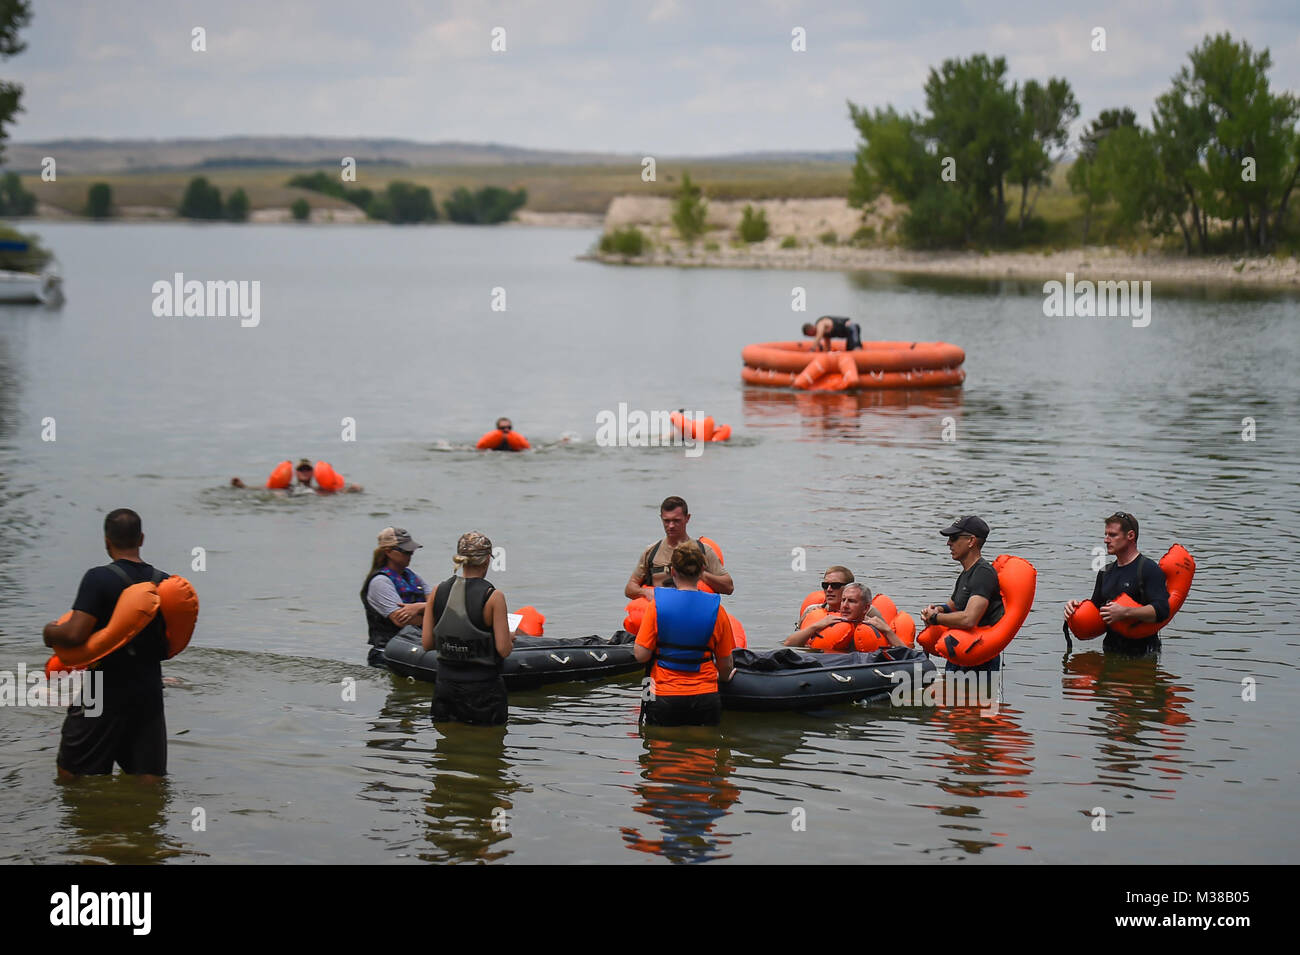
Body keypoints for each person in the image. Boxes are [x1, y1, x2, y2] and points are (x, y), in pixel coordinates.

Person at [41, 509, 172, 780]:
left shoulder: (98, 578)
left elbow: (75, 635)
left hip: (102, 690)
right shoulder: (166, 584)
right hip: (148, 692)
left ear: (106, 541)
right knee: (147, 780)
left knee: (72, 776)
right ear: (142, 538)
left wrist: (50, 632)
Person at [634, 542, 736, 726]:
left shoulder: (656, 606)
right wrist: (725, 676)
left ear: (672, 571)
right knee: (704, 752)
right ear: (702, 572)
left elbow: (641, 656)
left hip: (664, 695)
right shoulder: (718, 611)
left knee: (662, 752)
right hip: (705, 696)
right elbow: (725, 664)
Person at [422, 532, 514, 726]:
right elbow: (503, 650)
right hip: (482, 691)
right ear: (487, 560)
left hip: (445, 687)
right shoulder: (493, 597)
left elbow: (427, 643)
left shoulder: (437, 591)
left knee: (446, 750)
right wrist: (509, 637)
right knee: (487, 749)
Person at [1064, 511, 1170, 655]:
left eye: (1112, 535)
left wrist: (1125, 612)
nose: (1106, 540)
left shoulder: (1148, 569)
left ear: (1130, 536)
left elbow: (1162, 610)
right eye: (1105, 534)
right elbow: (1096, 610)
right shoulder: (1105, 572)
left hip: (1143, 655)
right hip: (1110, 651)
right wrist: (1074, 610)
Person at [921, 515, 1005, 672]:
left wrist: (935, 618)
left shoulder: (983, 573)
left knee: (971, 697)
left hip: (978, 659)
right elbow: (952, 606)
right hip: (960, 651)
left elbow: (969, 619)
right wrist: (936, 610)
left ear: (971, 541)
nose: (948, 543)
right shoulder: (967, 573)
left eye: (953, 538)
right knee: (950, 695)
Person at [625, 496, 734, 600]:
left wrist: (699, 574)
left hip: (693, 612)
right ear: (661, 518)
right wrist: (644, 592)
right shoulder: (651, 552)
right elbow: (629, 588)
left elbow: (728, 587)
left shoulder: (704, 550)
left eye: (676, 520)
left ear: (687, 518)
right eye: (666, 521)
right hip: (661, 613)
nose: (671, 525)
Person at [361, 527, 429, 667]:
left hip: (414, 647)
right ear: (388, 552)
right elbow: (402, 620)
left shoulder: (414, 577)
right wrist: (432, 614)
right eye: (406, 551)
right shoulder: (380, 582)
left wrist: (418, 608)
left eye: (411, 551)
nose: (410, 554)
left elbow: (436, 602)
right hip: (387, 652)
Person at [786, 582, 903, 651]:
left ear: (866, 608)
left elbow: (908, 656)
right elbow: (788, 644)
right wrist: (815, 627)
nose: (845, 606)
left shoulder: (876, 626)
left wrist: (888, 631)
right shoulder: (826, 623)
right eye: (843, 600)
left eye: (851, 601)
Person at [230, 458, 363, 492]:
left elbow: (339, 492)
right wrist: (242, 486)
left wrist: (354, 489)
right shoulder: (287, 488)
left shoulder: (320, 490)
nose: (304, 472)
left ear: (313, 472)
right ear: (296, 472)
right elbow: (263, 489)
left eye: (307, 469)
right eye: (301, 470)